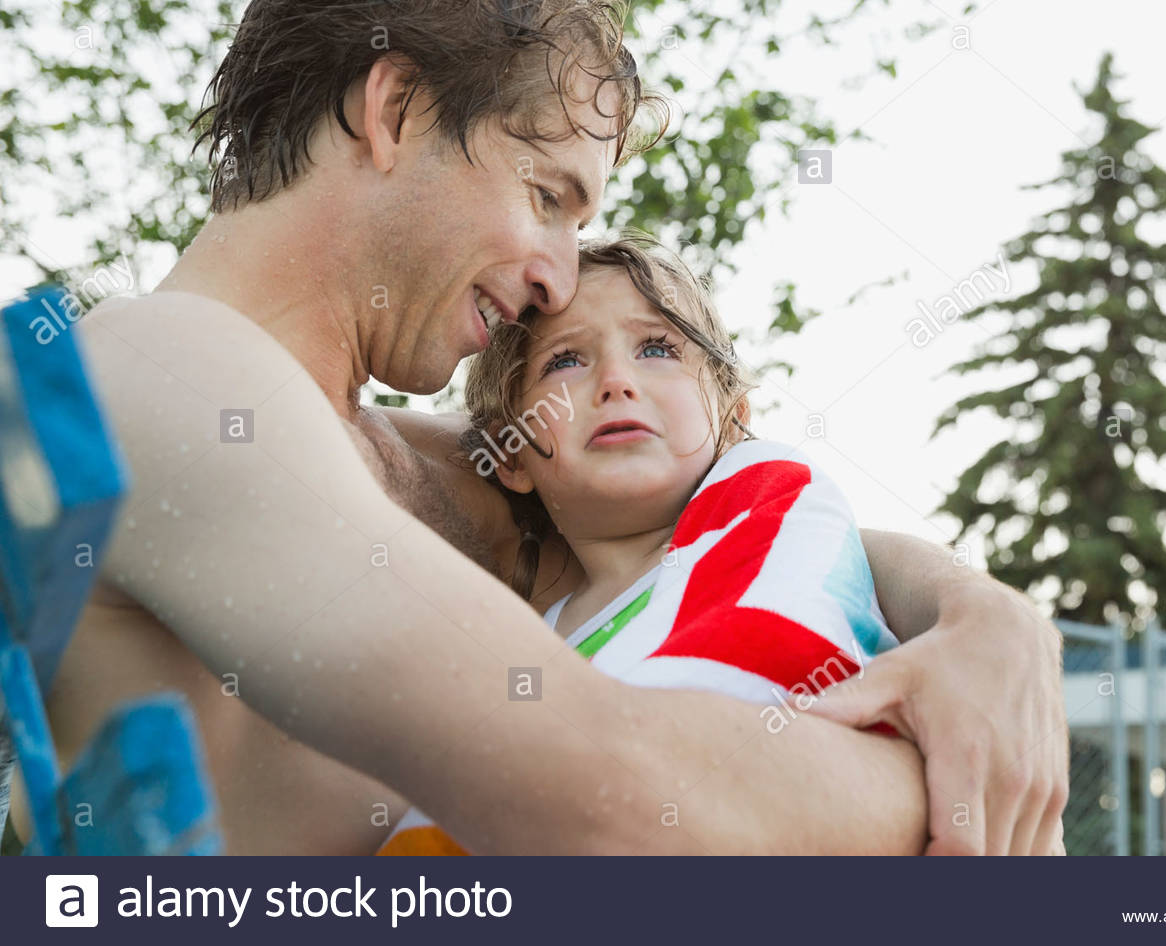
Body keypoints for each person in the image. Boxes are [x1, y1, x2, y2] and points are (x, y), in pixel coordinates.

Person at [11, 0, 1066, 854]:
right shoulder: (152, 372)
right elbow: (614, 802)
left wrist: (983, 621)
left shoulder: (422, 465)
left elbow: (737, 511)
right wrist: (959, 771)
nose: (560, 273)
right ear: (396, 108)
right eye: (548, 196)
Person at [381, 234, 916, 854]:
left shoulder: (769, 496)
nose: (615, 381)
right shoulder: (528, 644)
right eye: (565, 361)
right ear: (512, 453)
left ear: (734, 418)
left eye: (657, 348)